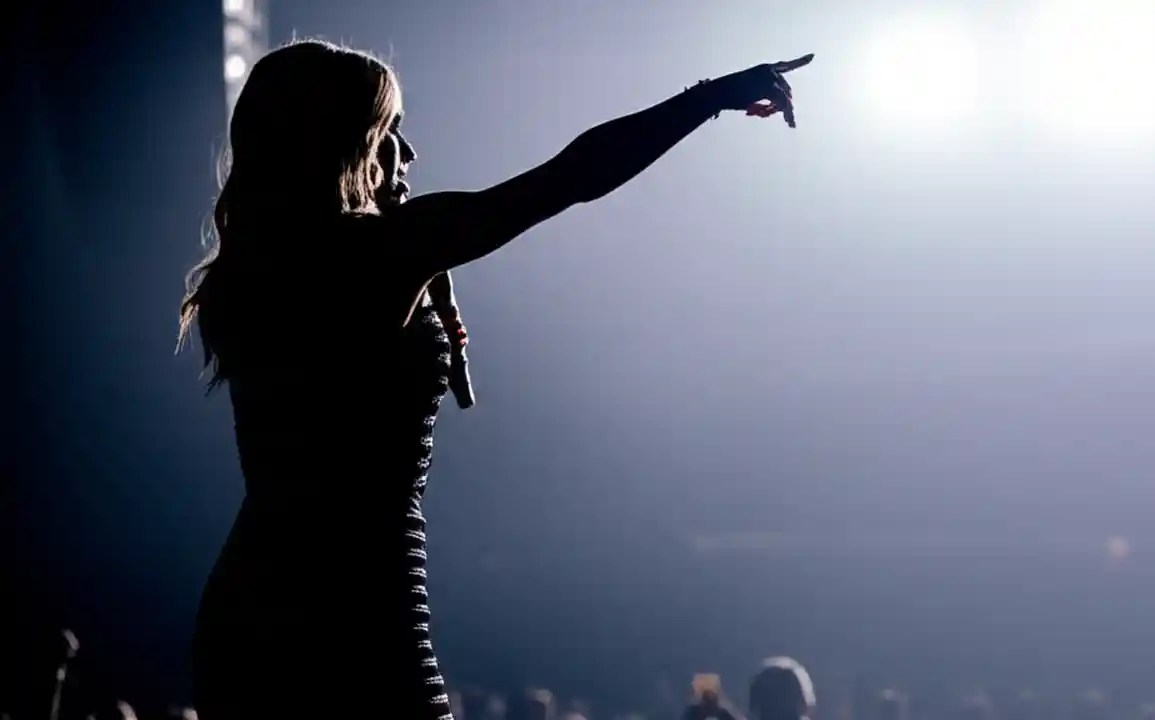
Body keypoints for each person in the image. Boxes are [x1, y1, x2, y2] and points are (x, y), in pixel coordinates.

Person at [179, 37, 812, 719]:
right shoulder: (380, 254)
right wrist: (710, 97)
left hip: (264, 606)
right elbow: (570, 177)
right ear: (341, 144)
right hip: (342, 618)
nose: (410, 155)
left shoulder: (262, 272)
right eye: (390, 133)